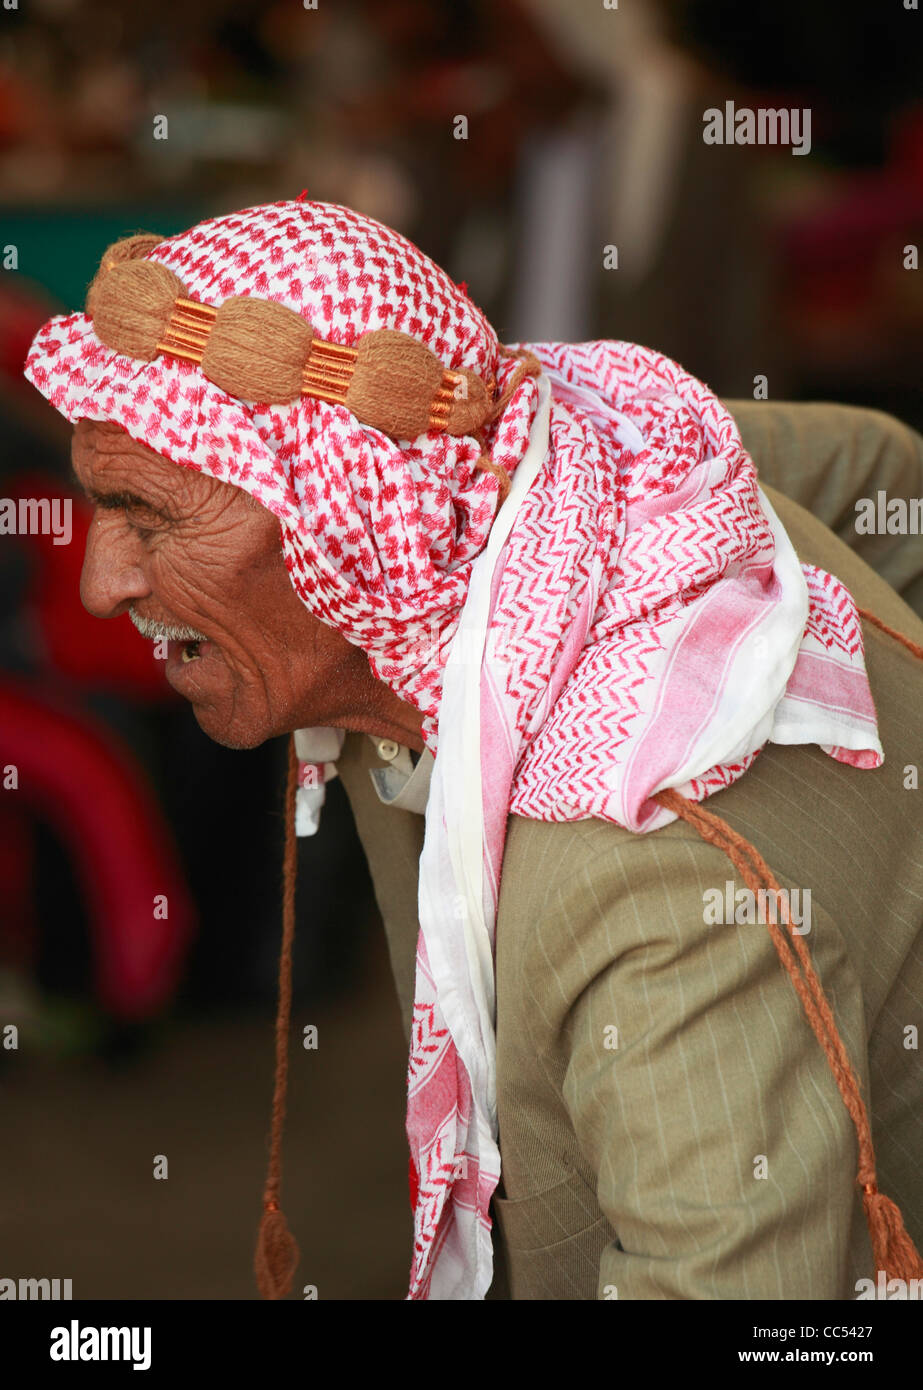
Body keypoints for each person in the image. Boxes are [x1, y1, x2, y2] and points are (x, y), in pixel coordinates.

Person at [23, 198, 923, 1300]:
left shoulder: (647, 898)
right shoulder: (605, 457)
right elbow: (881, 471)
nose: (98, 581)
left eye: (148, 517)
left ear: (346, 526)